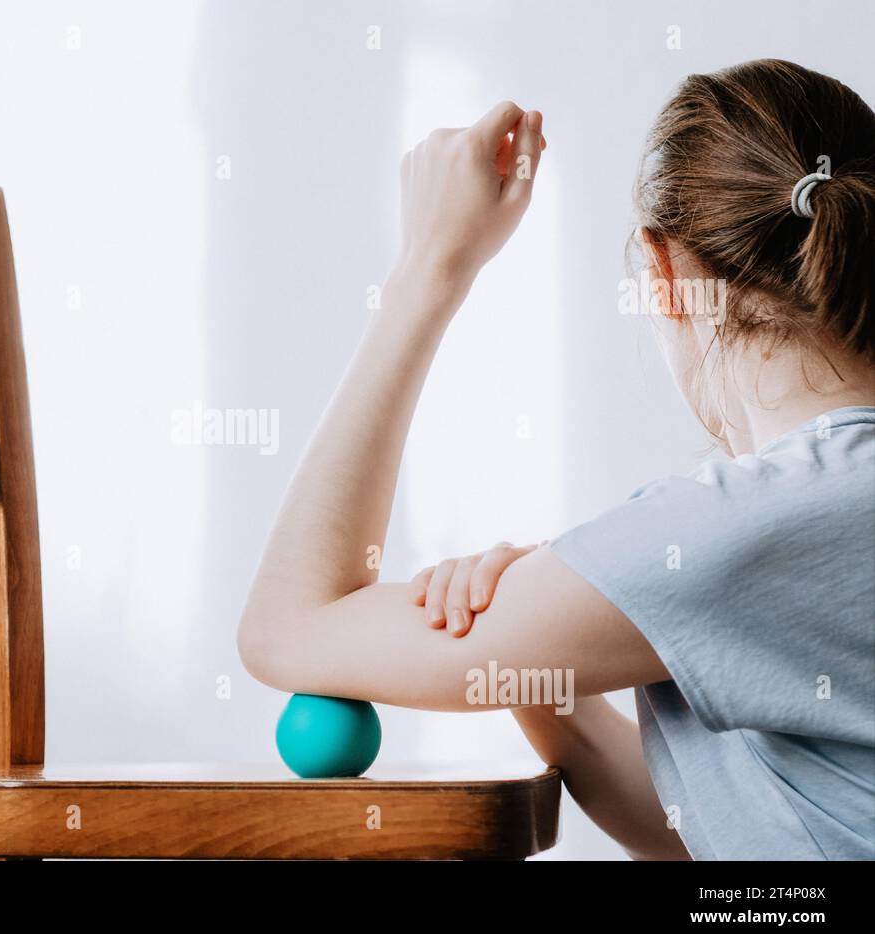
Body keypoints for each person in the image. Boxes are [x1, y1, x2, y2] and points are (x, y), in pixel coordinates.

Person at [237, 59, 875, 860]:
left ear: (666, 274)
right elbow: (744, 837)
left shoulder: (719, 533)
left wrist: (428, 270)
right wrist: (541, 669)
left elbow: (286, 628)